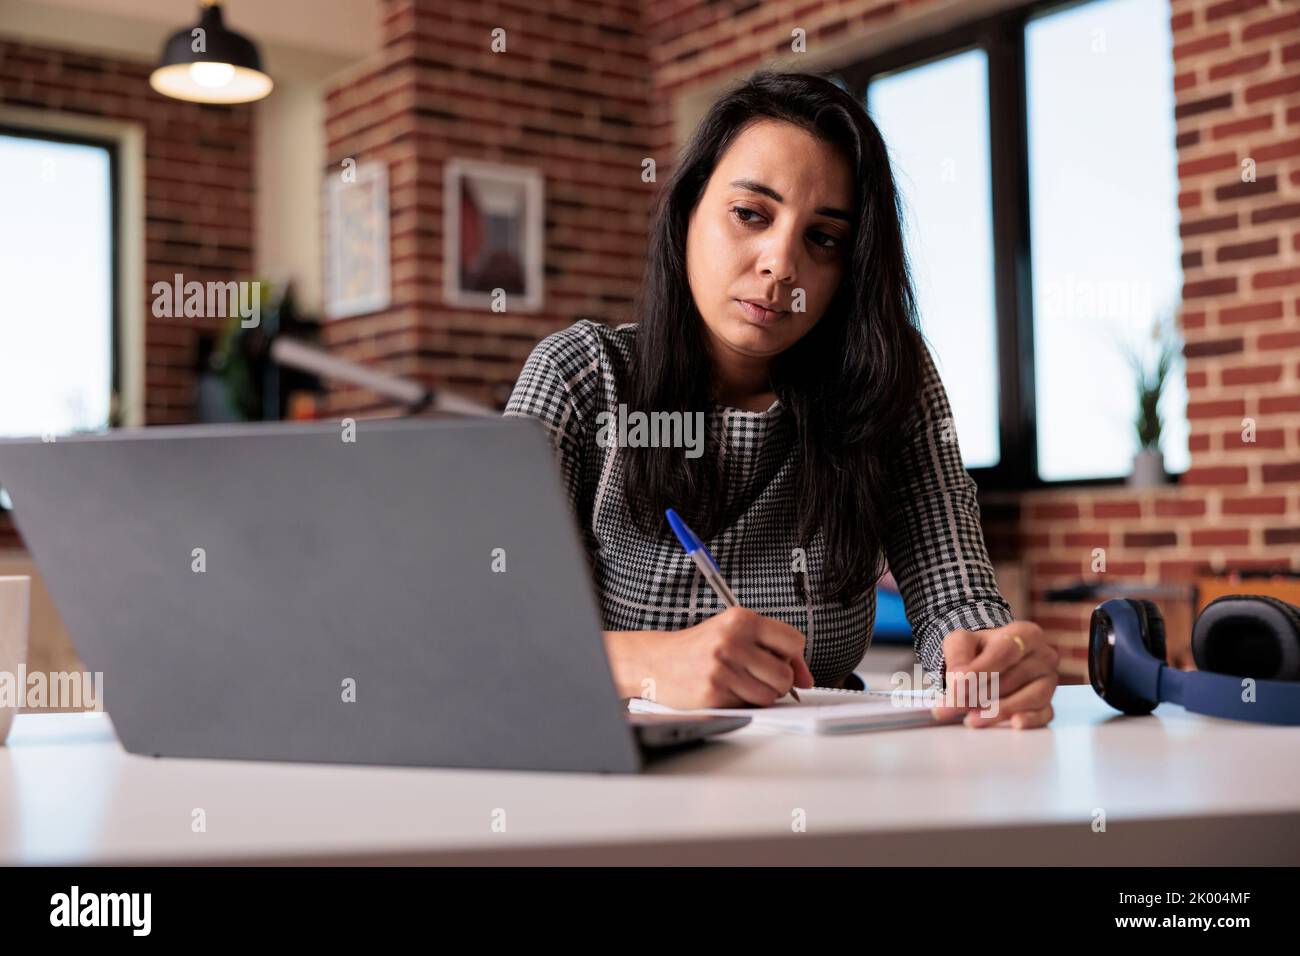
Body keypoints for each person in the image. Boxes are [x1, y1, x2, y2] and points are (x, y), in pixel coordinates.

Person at [505, 69, 1058, 729]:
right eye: (750, 214)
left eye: (822, 238)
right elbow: (481, 624)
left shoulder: (887, 378)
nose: (780, 264)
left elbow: (957, 597)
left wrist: (993, 657)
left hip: (823, 774)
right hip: (620, 777)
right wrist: (645, 662)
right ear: (687, 213)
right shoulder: (582, 375)